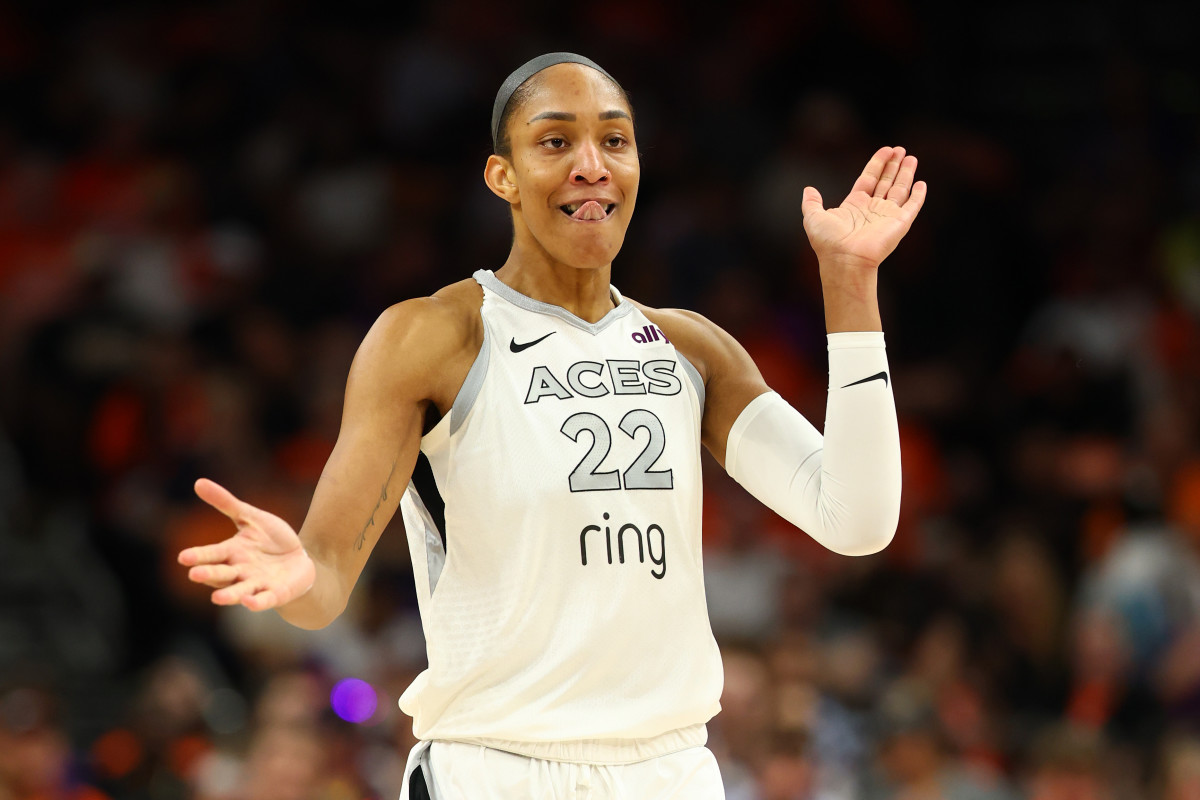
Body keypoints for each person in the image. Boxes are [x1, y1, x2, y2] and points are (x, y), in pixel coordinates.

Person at [178, 52, 926, 799]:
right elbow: (325, 578)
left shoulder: (694, 349)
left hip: (671, 770)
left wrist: (849, 281)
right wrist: (299, 577)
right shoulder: (433, 337)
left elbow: (856, 521)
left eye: (615, 140)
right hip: (495, 768)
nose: (592, 165)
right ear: (502, 176)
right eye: (556, 141)